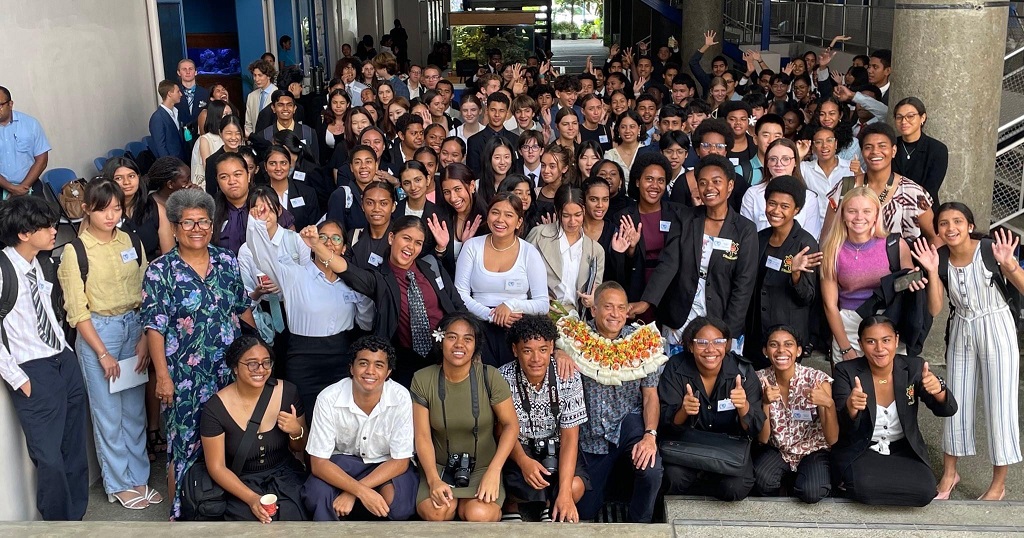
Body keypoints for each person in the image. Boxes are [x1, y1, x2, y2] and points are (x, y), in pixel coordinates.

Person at [142, 189, 255, 519]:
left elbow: (241, 309)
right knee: (185, 444)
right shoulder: (160, 270)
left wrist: (261, 349)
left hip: (229, 372)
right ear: (175, 227)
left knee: (231, 440)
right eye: (188, 222)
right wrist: (162, 376)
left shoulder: (226, 261)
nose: (197, 228)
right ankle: (181, 513)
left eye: (203, 222)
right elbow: (154, 327)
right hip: (184, 377)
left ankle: (226, 507)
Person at [57, 180, 159, 510]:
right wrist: (101, 352)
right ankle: (118, 483)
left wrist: (145, 336)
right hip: (98, 331)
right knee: (108, 414)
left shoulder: (131, 240)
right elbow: (77, 308)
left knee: (134, 409)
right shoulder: (76, 251)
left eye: (116, 208)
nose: (111, 215)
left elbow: (147, 290)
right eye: (103, 209)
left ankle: (139, 477)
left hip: (134, 327)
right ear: (87, 209)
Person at [914, 204, 1022, 501]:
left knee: (1000, 403)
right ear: (938, 230)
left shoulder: (991, 250)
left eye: (958, 221)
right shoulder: (942, 259)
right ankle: (950, 474)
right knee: (955, 400)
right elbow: (935, 308)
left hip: (997, 325)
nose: (951, 228)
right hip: (962, 327)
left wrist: (1010, 265)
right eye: (944, 223)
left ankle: (998, 484)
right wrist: (933, 271)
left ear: (970, 225)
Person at [0, 196, 88, 520]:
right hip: (33, 370)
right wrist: (18, 378)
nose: (55, 231)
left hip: (62, 360)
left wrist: (66, 352)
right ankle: (56, 526)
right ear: (24, 233)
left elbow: (49, 315)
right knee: (49, 458)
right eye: (46, 226)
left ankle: (76, 521)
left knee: (74, 451)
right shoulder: (3, 269)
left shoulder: (42, 262)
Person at [247, 206, 374, 414]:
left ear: (344, 248)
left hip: (341, 358)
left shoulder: (353, 282)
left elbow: (366, 323)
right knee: (302, 417)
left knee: (338, 416)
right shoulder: (294, 275)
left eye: (336, 239)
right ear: (313, 244)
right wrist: (258, 224)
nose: (329, 243)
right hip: (302, 359)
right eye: (322, 237)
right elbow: (263, 256)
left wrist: (363, 298)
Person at [632, 155, 757, 354]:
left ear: (730, 185)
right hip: (681, 316)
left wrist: (728, 332)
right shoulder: (686, 218)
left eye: (717, 182)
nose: (709, 188)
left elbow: (744, 284)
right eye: (703, 183)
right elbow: (669, 263)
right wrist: (647, 301)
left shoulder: (744, 229)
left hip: (721, 317)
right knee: (675, 376)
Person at [322, 216, 463, 387]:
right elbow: (346, 269)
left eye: (418, 243)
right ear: (391, 238)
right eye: (406, 238)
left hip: (445, 356)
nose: (411, 247)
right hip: (405, 364)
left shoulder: (431, 267)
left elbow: (457, 306)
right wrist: (317, 245)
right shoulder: (379, 278)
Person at [831, 316, 957, 506]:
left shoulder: (913, 367)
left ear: (896, 340)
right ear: (860, 344)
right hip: (863, 450)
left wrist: (939, 390)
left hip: (903, 449)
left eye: (886, 340)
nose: (880, 349)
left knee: (925, 492)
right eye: (871, 341)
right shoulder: (846, 371)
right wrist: (851, 407)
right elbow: (843, 428)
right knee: (863, 487)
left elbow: (947, 410)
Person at [411, 313, 519, 522]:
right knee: (438, 512)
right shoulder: (423, 379)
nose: (459, 344)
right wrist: (433, 479)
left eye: (467, 339)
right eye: (452, 337)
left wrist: (494, 471)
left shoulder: (490, 376)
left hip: (483, 467)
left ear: (476, 345)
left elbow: (510, 425)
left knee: (476, 514)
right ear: (440, 340)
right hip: (440, 467)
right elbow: (422, 437)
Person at [569, 281, 662, 522]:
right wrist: (559, 352)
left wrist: (650, 435)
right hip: (590, 436)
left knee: (650, 469)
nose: (616, 314)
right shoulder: (574, 340)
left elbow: (650, 395)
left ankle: (639, 527)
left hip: (627, 427)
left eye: (622, 308)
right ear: (594, 309)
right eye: (608, 307)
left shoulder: (641, 341)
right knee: (585, 510)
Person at [301, 335, 419, 520]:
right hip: (342, 464)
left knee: (399, 504)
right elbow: (319, 463)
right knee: (317, 496)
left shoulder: (400, 397)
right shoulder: (328, 398)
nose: (370, 371)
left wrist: (352, 493)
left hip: (385, 465)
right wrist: (362, 492)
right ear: (352, 368)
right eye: (363, 363)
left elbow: (400, 461)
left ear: (388, 372)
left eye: (379, 365)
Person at [201, 336, 309, 522]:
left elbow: (301, 447)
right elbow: (216, 467)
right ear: (235, 367)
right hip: (240, 482)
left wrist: (295, 430)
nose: (261, 370)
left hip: (285, 476)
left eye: (266, 363)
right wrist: (251, 499)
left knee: (293, 514)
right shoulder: (215, 408)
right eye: (252, 364)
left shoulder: (287, 392)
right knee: (247, 522)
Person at [658, 316, 763, 500]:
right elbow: (665, 423)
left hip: (728, 449)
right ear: (690, 346)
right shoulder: (675, 367)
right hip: (687, 446)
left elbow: (756, 428)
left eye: (718, 342)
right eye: (702, 343)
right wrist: (683, 412)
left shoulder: (744, 372)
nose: (710, 349)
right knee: (672, 477)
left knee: (736, 488)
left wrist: (743, 406)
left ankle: (705, 487)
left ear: (726, 345)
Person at [499, 316, 589, 522]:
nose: (536, 359)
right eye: (527, 350)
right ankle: (513, 503)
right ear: (515, 350)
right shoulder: (502, 377)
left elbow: (570, 437)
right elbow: (500, 430)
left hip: (556, 446)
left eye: (542, 349)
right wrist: (523, 461)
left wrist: (565, 494)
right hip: (518, 447)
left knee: (574, 487)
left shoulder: (568, 376)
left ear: (551, 348)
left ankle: (551, 503)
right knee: (518, 485)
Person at [820, 187, 916, 361]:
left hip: (888, 321)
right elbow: (830, 305)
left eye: (866, 211)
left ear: (876, 214)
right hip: (848, 323)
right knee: (851, 386)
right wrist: (844, 348)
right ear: (842, 214)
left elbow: (908, 289)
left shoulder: (895, 245)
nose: (859, 217)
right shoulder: (832, 250)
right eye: (852, 211)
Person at [454, 193, 548, 366]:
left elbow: (542, 303)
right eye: (495, 212)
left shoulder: (529, 252)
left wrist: (511, 305)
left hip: (517, 325)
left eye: (509, 215)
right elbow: (460, 294)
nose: (500, 220)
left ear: (519, 222)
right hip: (479, 321)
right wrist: (491, 315)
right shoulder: (472, 247)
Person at [743, 176, 821, 367]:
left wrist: (794, 274)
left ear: (797, 210)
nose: (776, 211)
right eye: (772, 204)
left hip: (786, 339)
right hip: (757, 335)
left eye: (784, 206)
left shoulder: (805, 243)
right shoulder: (759, 237)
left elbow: (808, 297)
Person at [753, 325, 837, 503]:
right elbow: (762, 438)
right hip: (778, 450)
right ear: (765, 351)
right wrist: (765, 403)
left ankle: (801, 480)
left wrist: (828, 404)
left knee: (812, 492)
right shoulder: (758, 380)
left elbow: (832, 439)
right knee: (762, 481)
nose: (781, 350)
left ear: (798, 351)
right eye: (774, 345)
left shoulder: (817, 379)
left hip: (813, 450)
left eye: (788, 344)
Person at [821, 123, 937, 247]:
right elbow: (827, 236)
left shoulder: (912, 192)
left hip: (899, 264)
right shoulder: (846, 187)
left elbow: (934, 237)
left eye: (882, 146)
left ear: (893, 151)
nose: (875, 151)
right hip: (849, 264)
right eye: (868, 147)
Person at [527, 185, 605, 313]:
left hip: (574, 316)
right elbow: (522, 273)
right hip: (541, 311)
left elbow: (596, 288)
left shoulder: (595, 250)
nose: (572, 221)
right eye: (566, 215)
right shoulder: (539, 235)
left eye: (578, 215)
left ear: (584, 211)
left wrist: (592, 299)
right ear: (557, 212)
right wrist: (537, 296)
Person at [100, 157, 176, 260]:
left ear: (138, 178)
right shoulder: (99, 212)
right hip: (115, 272)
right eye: (118, 178)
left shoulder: (155, 208)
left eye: (131, 176)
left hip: (151, 272)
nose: (126, 182)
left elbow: (169, 255)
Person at [891, 97, 948, 205]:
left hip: (924, 209)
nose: (904, 121)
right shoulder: (890, 145)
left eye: (910, 116)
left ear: (923, 118)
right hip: (892, 209)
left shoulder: (937, 149)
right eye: (899, 117)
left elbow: (931, 188)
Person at [0, 86, 50, 197]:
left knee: (38, 214)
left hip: (30, 186)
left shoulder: (31, 124)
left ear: (10, 104)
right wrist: (11, 188)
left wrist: (23, 188)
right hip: (2, 189)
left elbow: (42, 160)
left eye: (0, 105)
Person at [466, 93, 518, 175]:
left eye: (501, 111)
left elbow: (516, 171)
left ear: (507, 113)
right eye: (493, 110)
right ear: (486, 111)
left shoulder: (515, 139)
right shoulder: (474, 141)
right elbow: (474, 173)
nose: (497, 115)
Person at [191, 100, 234, 188]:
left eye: (230, 113)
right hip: (213, 184)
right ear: (216, 116)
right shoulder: (206, 139)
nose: (229, 117)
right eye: (225, 114)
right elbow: (207, 166)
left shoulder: (233, 136)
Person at [149, 80, 186, 161]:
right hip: (171, 164)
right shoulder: (158, 117)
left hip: (181, 161)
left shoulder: (176, 112)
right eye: (178, 91)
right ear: (169, 93)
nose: (181, 94)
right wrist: (168, 166)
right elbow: (160, 146)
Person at [175, 59, 210, 140]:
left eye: (190, 69)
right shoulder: (174, 93)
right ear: (179, 73)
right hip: (179, 138)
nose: (188, 72)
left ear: (196, 72)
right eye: (184, 69)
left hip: (201, 137)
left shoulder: (205, 93)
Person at [244, 59, 278, 136]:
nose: (256, 79)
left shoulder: (278, 94)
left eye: (260, 75)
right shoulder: (251, 96)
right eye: (254, 75)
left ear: (269, 76)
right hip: (255, 141)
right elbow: (248, 123)